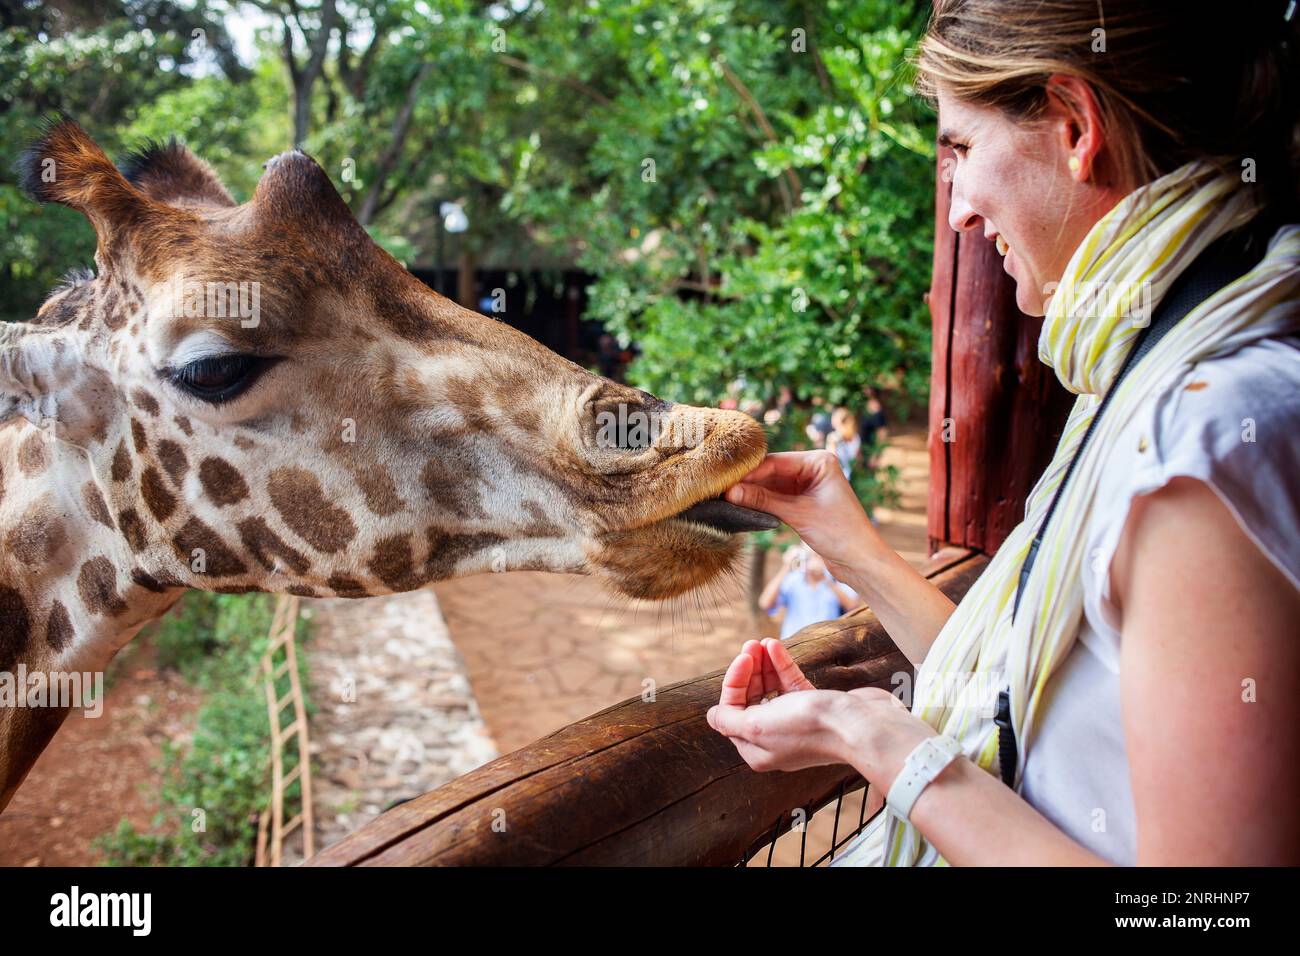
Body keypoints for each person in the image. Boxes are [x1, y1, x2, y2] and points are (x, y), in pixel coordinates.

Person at [708, 0, 1300, 866]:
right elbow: (1032, 712)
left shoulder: (1194, 440)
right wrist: (849, 543)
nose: (956, 210)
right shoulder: (1156, 365)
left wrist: (881, 742)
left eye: (960, 150)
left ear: (1073, 125)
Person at [759, 545, 862, 641]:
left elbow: (852, 606)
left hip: (828, 643)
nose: (813, 560)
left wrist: (826, 579)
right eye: (809, 556)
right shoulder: (793, 580)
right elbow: (765, 603)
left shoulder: (837, 579)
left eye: (817, 556)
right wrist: (786, 567)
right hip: (793, 642)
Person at [825, 407, 861, 479]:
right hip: (837, 477)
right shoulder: (833, 438)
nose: (837, 429)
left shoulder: (856, 437)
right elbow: (831, 461)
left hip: (852, 477)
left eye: (838, 426)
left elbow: (857, 460)